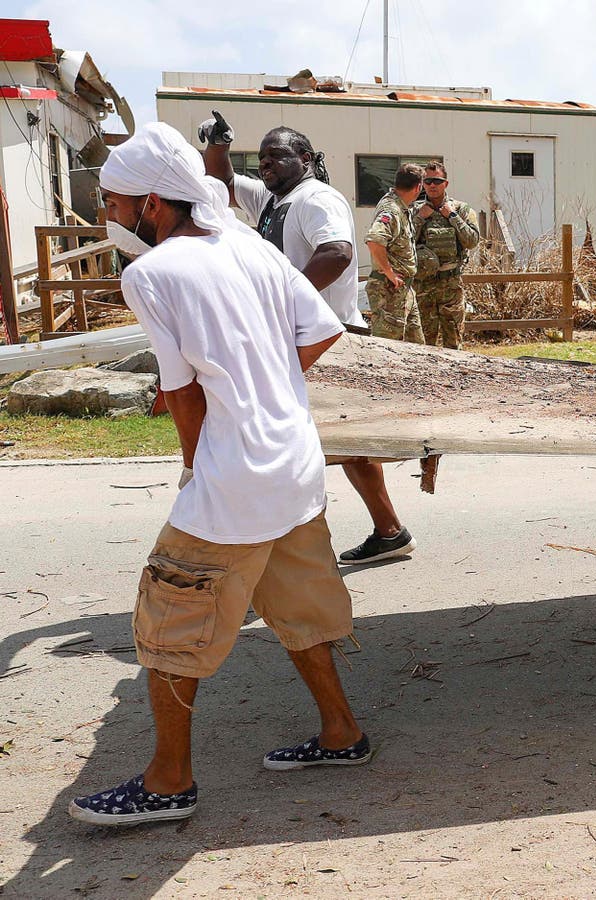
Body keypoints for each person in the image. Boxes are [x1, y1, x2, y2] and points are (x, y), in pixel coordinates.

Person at [69, 124, 369, 827]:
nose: (107, 216)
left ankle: (168, 782)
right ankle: (341, 732)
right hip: (294, 466)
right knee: (298, 608)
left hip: (234, 483)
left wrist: (196, 471)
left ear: (151, 203)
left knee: (171, 623)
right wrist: (266, 389)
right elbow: (322, 327)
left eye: (113, 203)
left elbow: (184, 394)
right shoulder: (248, 244)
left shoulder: (149, 275)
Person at [199, 112, 415, 565]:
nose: (266, 165)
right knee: (349, 445)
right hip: (303, 341)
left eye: (276, 155)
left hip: (328, 340)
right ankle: (389, 532)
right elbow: (222, 179)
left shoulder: (317, 199)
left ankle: (292, 557)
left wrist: (283, 300)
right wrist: (217, 141)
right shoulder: (274, 200)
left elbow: (337, 254)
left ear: (307, 158)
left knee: (296, 445)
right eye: (261, 159)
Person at [412, 161, 481, 349]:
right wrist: (420, 219)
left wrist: (452, 217)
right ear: (422, 184)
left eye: (437, 180)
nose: (432, 185)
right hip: (423, 286)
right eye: (428, 181)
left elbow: (472, 241)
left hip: (450, 285)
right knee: (423, 344)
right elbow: (404, 243)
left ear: (446, 183)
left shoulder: (461, 209)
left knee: (453, 341)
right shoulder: (414, 210)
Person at [365, 163, 425, 343]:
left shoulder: (401, 206)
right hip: (389, 291)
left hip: (404, 290)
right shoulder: (391, 209)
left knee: (417, 346)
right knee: (388, 348)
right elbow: (375, 240)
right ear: (418, 187)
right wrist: (389, 272)